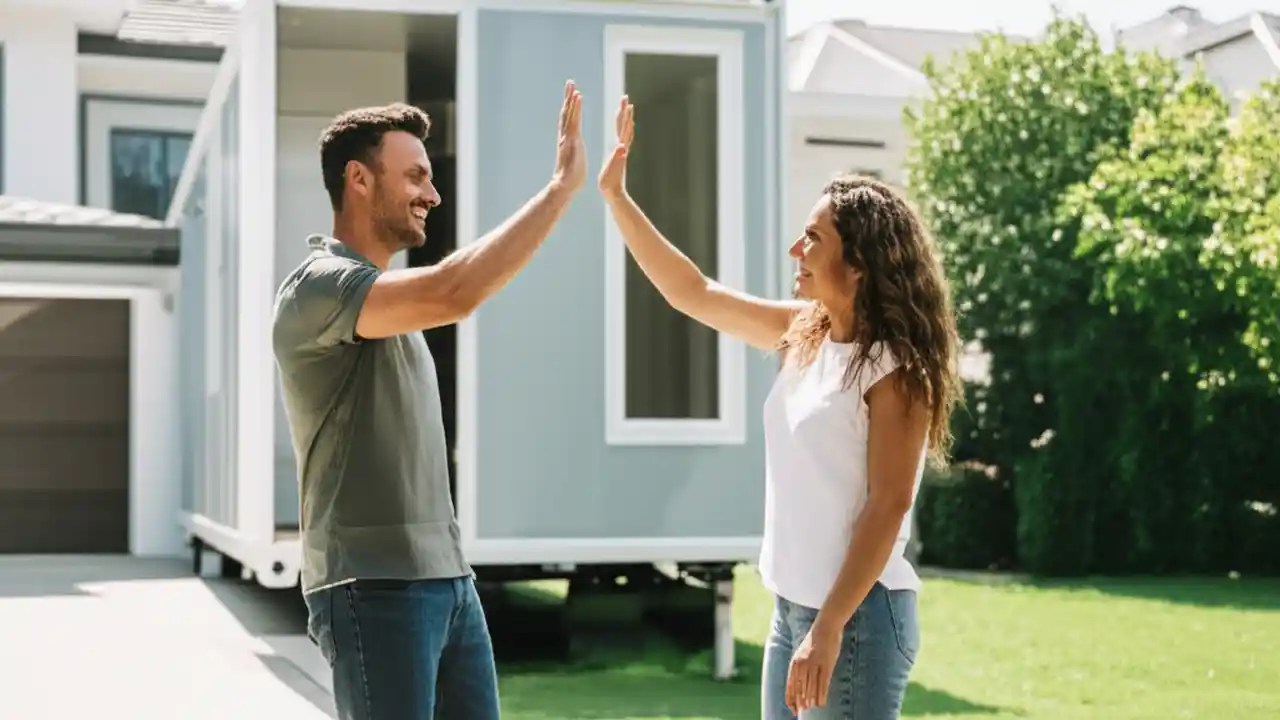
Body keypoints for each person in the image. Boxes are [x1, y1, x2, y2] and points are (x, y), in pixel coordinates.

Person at [597, 96, 961, 719]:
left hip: (857, 618)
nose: (796, 250)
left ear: (860, 263)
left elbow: (888, 506)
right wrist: (617, 198)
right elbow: (694, 293)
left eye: (813, 239)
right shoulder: (807, 331)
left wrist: (829, 627)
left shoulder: (896, 370)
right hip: (794, 609)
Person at [271, 81, 586, 719]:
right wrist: (559, 191)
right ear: (359, 179)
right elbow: (454, 291)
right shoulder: (319, 289)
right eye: (415, 176)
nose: (432, 195)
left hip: (447, 579)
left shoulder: (387, 301)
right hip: (373, 583)